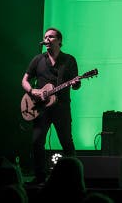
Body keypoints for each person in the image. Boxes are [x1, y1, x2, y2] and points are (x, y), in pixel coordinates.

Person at [21, 27, 81, 185]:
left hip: (61, 108)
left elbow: (75, 85)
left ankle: (74, 178)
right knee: (37, 142)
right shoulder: (38, 60)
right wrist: (32, 90)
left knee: (67, 142)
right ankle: (40, 177)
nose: (47, 39)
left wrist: (76, 83)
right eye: (45, 37)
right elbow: (24, 80)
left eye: (51, 37)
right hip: (40, 108)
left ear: (59, 41)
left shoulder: (69, 60)